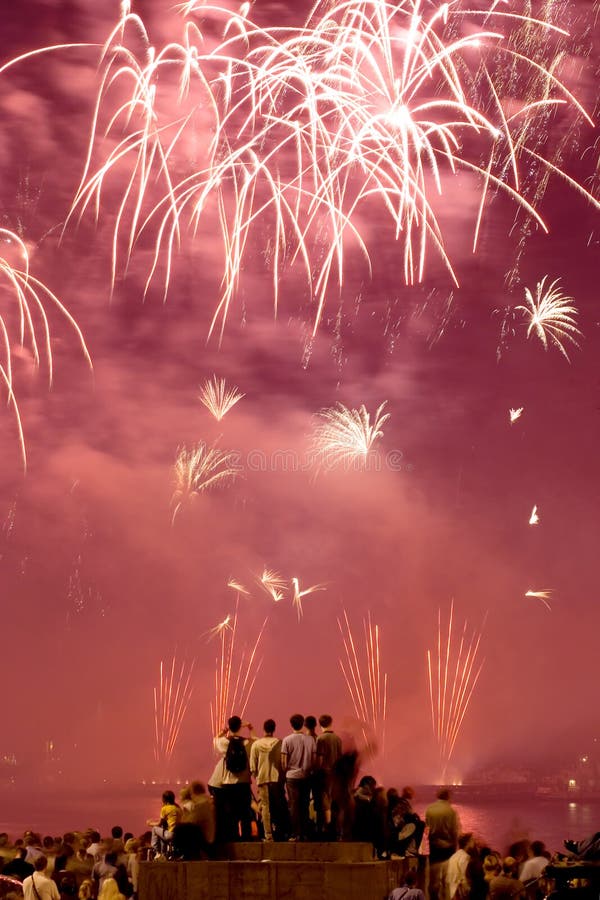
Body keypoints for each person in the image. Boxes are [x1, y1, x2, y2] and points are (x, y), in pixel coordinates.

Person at [214, 716, 255, 841]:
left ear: (229, 726)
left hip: (228, 782)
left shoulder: (225, 743)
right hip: (243, 783)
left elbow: (216, 739)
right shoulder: (246, 743)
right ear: (240, 726)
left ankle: (233, 837)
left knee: (231, 812)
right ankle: (246, 837)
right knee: (245, 812)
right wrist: (250, 727)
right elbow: (255, 740)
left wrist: (223, 731)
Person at [250, 719, 286, 842]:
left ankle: (268, 835)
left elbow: (252, 766)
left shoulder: (256, 744)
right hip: (277, 780)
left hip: (263, 779)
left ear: (264, 729)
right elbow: (283, 762)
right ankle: (281, 832)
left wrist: (257, 776)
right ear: (274, 729)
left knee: (265, 808)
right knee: (279, 806)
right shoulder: (280, 743)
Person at [281, 713, 316, 841]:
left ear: (291, 725)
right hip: (306, 776)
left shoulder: (287, 740)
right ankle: (305, 833)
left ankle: (295, 833)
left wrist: (287, 770)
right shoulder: (310, 739)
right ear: (303, 724)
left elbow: (284, 762)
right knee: (305, 805)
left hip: (292, 776)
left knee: (294, 805)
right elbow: (314, 760)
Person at [425, 788, 460, 900]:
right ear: (448, 796)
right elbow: (454, 831)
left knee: (433, 878)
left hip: (434, 846)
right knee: (446, 878)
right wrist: (456, 847)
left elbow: (426, 830)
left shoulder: (429, 810)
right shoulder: (451, 811)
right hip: (448, 848)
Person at [314, 714, 342, 838]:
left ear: (320, 725)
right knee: (334, 801)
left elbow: (319, 758)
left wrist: (316, 770)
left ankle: (327, 828)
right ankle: (336, 829)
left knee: (325, 802)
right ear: (331, 722)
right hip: (336, 774)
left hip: (324, 773)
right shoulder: (337, 739)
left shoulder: (320, 739)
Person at [147, 790, 181, 858]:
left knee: (154, 829)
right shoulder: (178, 809)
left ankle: (156, 851)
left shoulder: (165, 808)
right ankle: (163, 853)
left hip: (170, 834)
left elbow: (159, 823)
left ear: (164, 799)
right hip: (178, 835)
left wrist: (150, 823)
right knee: (162, 830)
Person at [446, 833, 475, 900]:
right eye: (472, 840)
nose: (474, 842)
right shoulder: (465, 856)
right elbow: (463, 875)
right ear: (468, 843)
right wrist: (468, 889)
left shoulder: (456, 854)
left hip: (450, 888)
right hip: (456, 889)